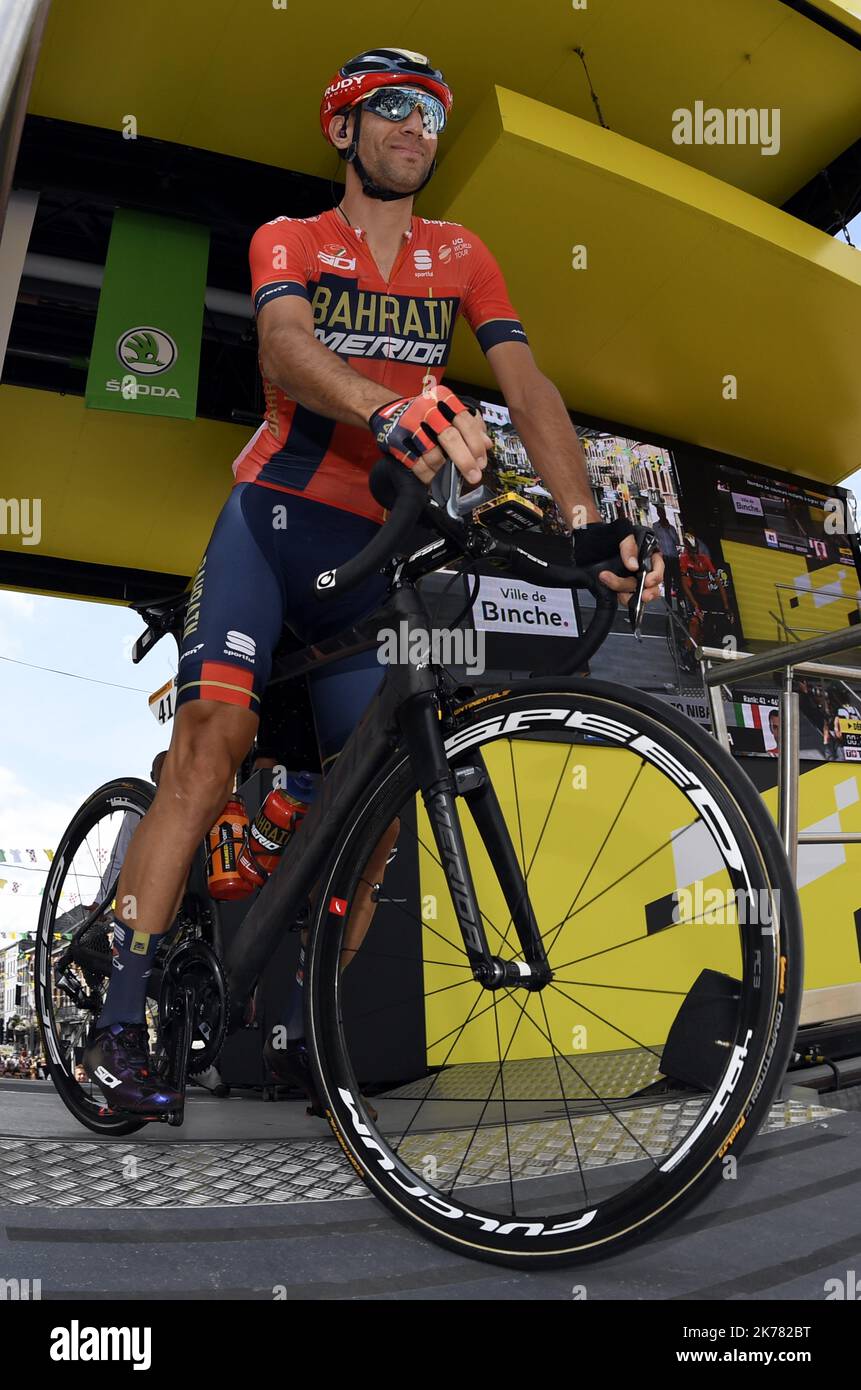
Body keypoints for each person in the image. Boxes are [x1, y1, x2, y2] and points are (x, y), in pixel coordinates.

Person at [83, 46, 663, 1115]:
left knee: (376, 801)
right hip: (271, 522)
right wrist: (383, 405)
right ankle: (118, 1014)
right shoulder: (291, 240)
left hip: (372, 551)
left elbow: (525, 381)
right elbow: (284, 338)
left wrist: (585, 520)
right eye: (392, 108)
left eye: (434, 115)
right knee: (213, 746)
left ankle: (306, 1027)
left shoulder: (460, 255)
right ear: (344, 129)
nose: (418, 127)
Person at [651, 505, 681, 604]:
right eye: (660, 513)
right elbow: (654, 541)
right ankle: (669, 608)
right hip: (664, 558)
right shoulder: (655, 526)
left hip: (674, 557)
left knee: (678, 582)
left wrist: (668, 529)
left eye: (663, 513)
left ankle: (682, 605)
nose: (662, 515)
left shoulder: (671, 528)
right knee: (667, 583)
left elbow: (676, 541)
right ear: (658, 514)